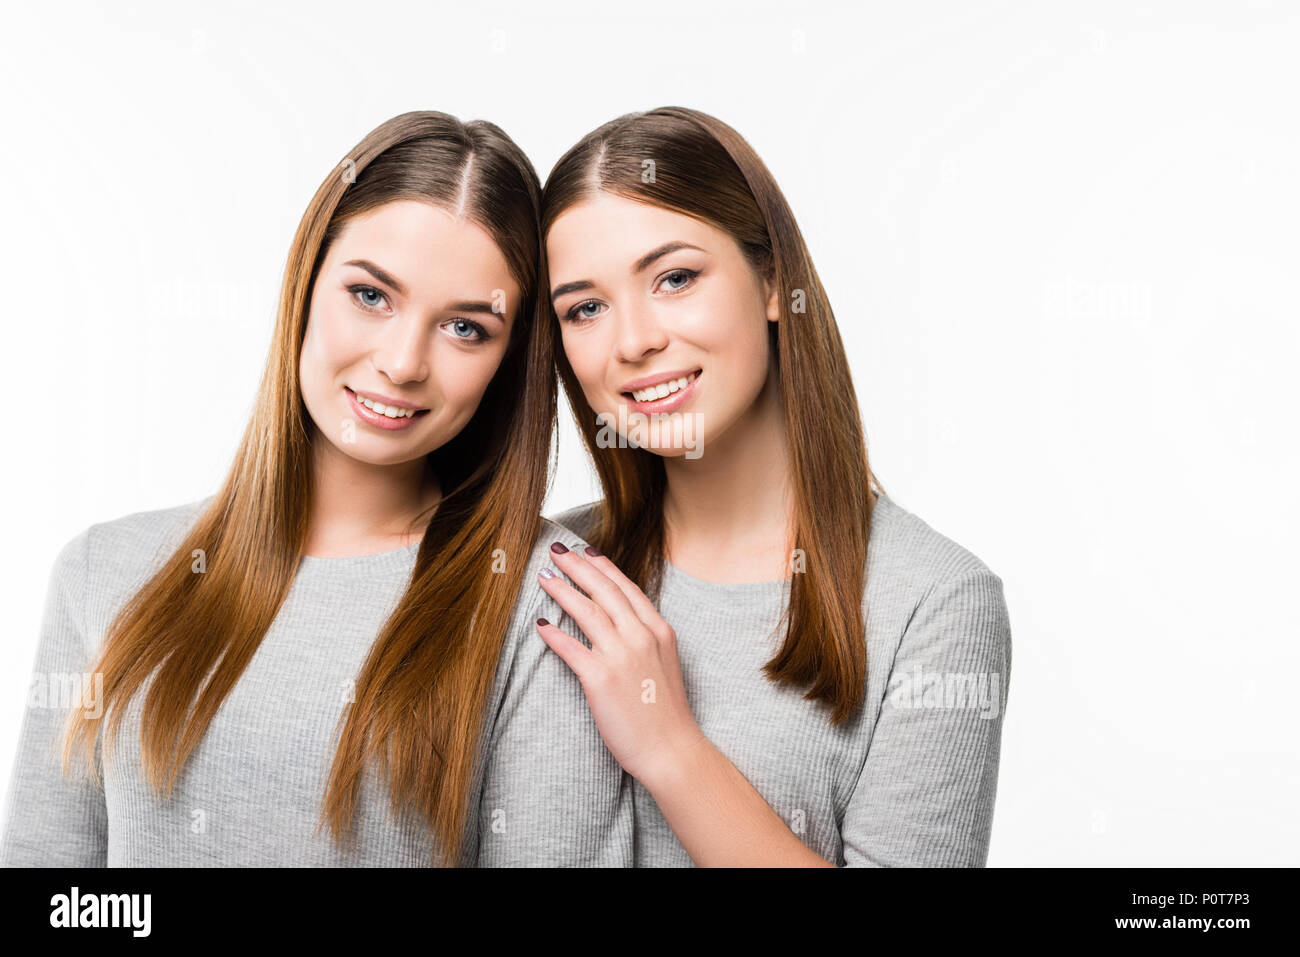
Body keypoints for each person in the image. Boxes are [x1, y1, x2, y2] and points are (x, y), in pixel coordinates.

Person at [0, 111, 630, 867]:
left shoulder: (550, 600)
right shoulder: (103, 570)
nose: (402, 362)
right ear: (306, 284)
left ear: (508, 360)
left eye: (465, 327)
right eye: (370, 295)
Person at [535, 106, 1013, 866]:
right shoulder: (550, 570)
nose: (632, 341)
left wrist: (672, 750)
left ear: (771, 282)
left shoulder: (933, 601)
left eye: (675, 277)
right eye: (585, 308)